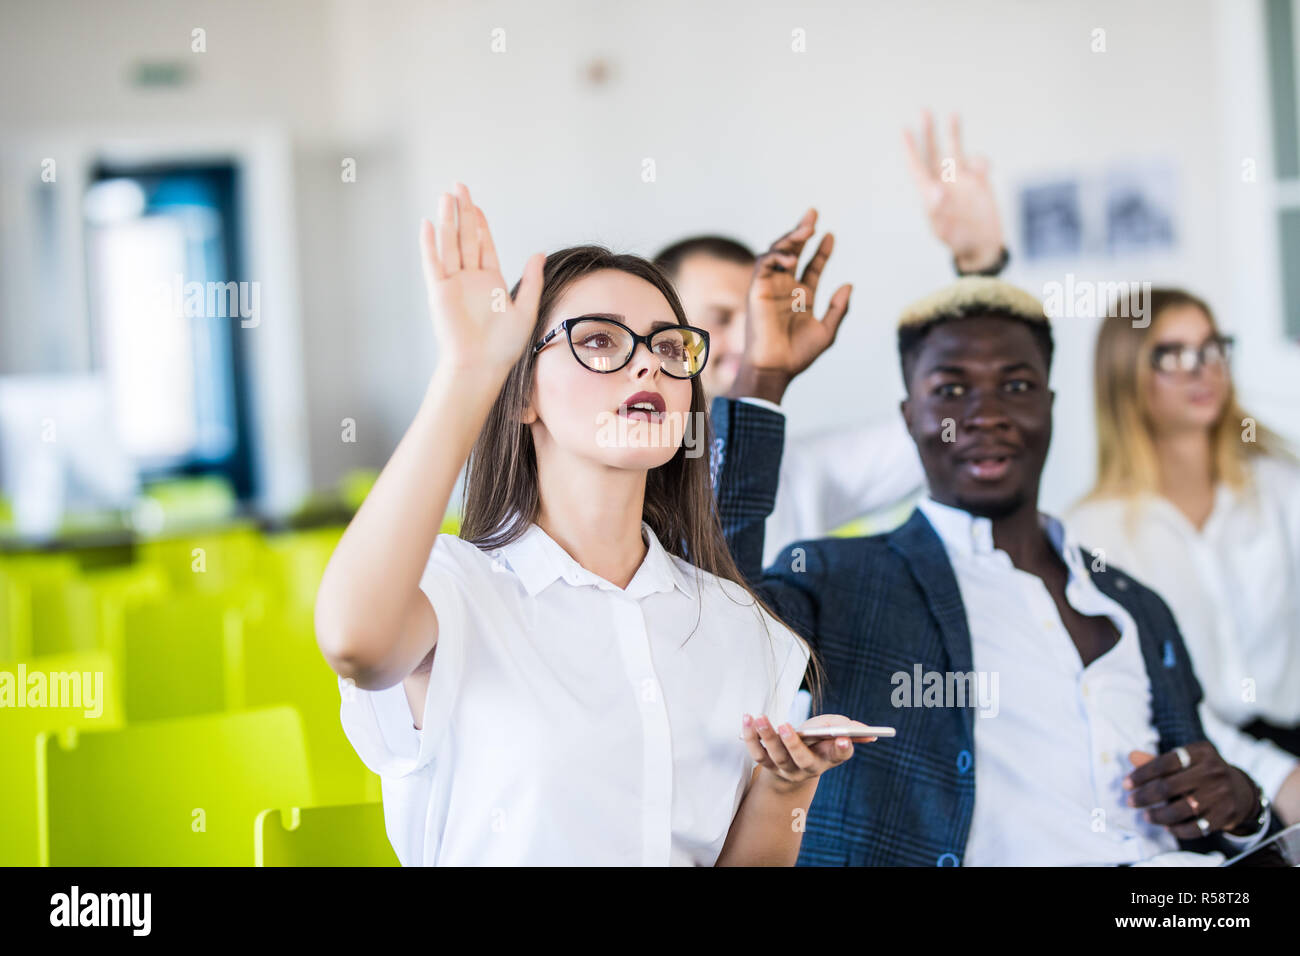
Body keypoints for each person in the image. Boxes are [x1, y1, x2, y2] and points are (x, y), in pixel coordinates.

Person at [314, 183, 878, 867]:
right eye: (600, 341)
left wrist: (785, 789)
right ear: (521, 393)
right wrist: (469, 372)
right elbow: (355, 644)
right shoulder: (457, 592)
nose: (649, 362)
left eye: (670, 349)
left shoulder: (743, 626)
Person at [711, 267, 1279, 865]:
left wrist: (1246, 808)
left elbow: (1204, 796)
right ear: (909, 418)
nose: (986, 415)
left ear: (1050, 406)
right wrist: (762, 383)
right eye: (952, 391)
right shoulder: (841, 580)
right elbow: (717, 627)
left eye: (1016, 386)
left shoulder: (1135, 603)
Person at [656, 112, 1007, 566]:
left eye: (758, 313)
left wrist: (979, 268)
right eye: (720, 318)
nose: (750, 337)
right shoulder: (616, 482)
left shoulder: (803, 475)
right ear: (660, 336)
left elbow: (948, 426)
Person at [1067, 288, 1300, 825]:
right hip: (1198, 775)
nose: (1202, 370)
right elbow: (1135, 697)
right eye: (1172, 355)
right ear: (1124, 376)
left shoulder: (1280, 491)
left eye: (1212, 347)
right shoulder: (1091, 532)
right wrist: (1281, 781)